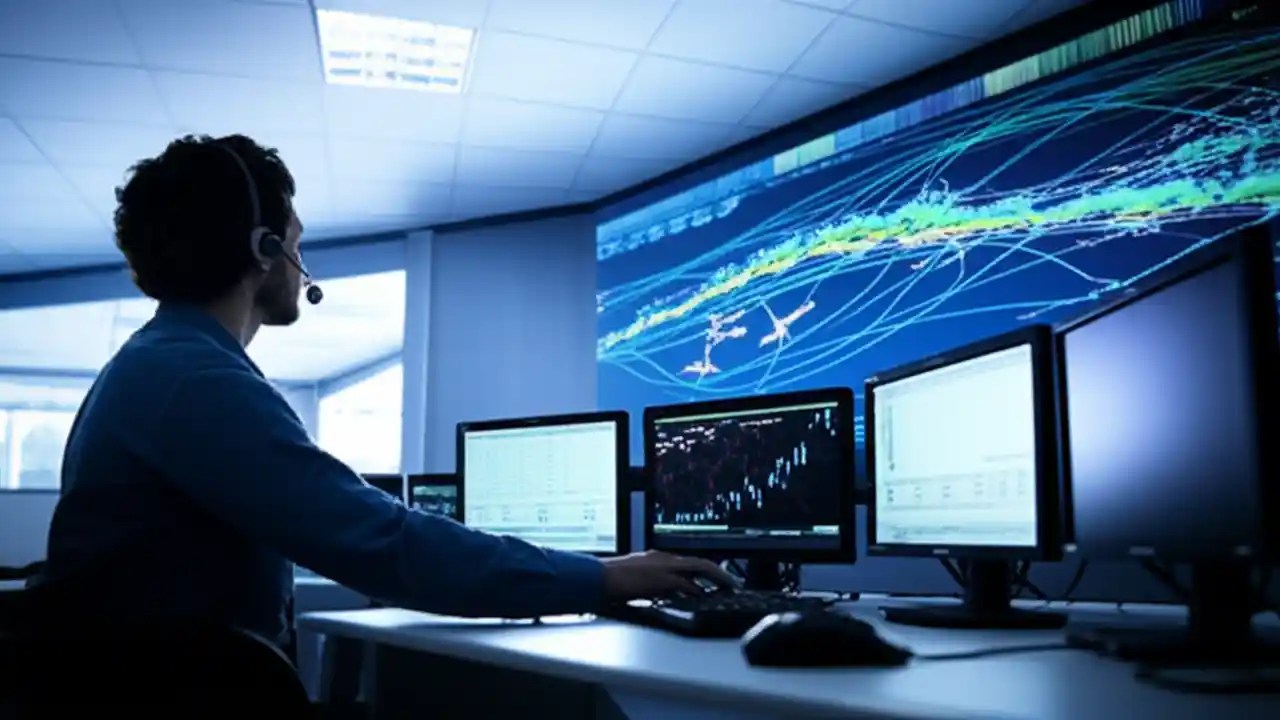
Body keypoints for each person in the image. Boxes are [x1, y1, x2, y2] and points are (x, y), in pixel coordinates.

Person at [32, 134, 732, 654]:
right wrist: (601, 578)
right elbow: (383, 542)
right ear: (265, 249)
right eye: (298, 241)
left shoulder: (158, 364)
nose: (302, 261)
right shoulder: (194, 381)